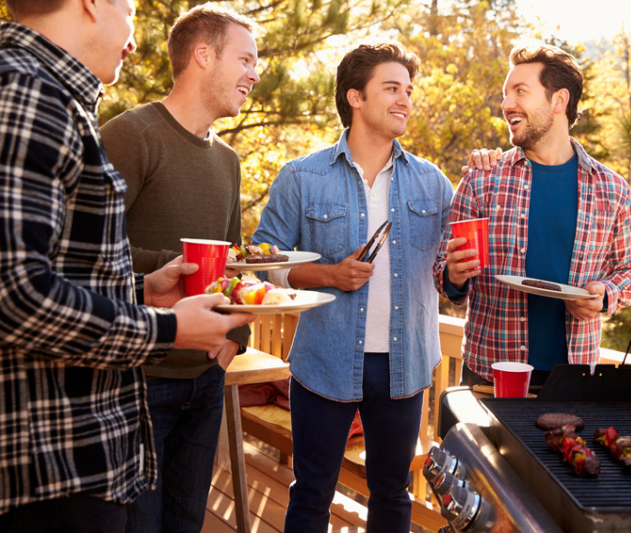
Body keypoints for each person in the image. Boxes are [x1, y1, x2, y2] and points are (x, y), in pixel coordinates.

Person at [0, 1, 253, 532]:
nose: (134, 40)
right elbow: (16, 294)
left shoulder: (54, 99)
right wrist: (167, 328)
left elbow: (65, 265)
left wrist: (141, 290)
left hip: (95, 439)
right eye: (131, 10)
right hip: (54, 462)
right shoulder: (29, 95)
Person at [252, 42, 453, 533]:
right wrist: (329, 275)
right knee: (312, 492)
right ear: (356, 97)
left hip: (405, 367)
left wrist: (461, 274)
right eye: (392, 88)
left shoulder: (433, 183)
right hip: (325, 360)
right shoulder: (301, 176)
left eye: (408, 90)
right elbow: (260, 262)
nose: (405, 100)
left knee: (392, 493)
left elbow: (450, 274)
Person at [99, 4, 259, 532]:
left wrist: (235, 339)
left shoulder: (228, 160)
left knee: (187, 523)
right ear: (203, 55)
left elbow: (233, 258)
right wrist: (172, 266)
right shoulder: (131, 135)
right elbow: (89, 254)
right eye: (245, 59)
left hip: (205, 379)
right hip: (137, 382)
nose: (254, 74)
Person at [434, 44, 631, 387]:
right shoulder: (481, 180)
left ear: (558, 101)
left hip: (572, 380)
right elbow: (442, 273)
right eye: (505, 94)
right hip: (489, 375)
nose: (506, 104)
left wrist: (605, 293)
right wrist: (454, 275)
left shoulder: (613, 190)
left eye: (520, 91)